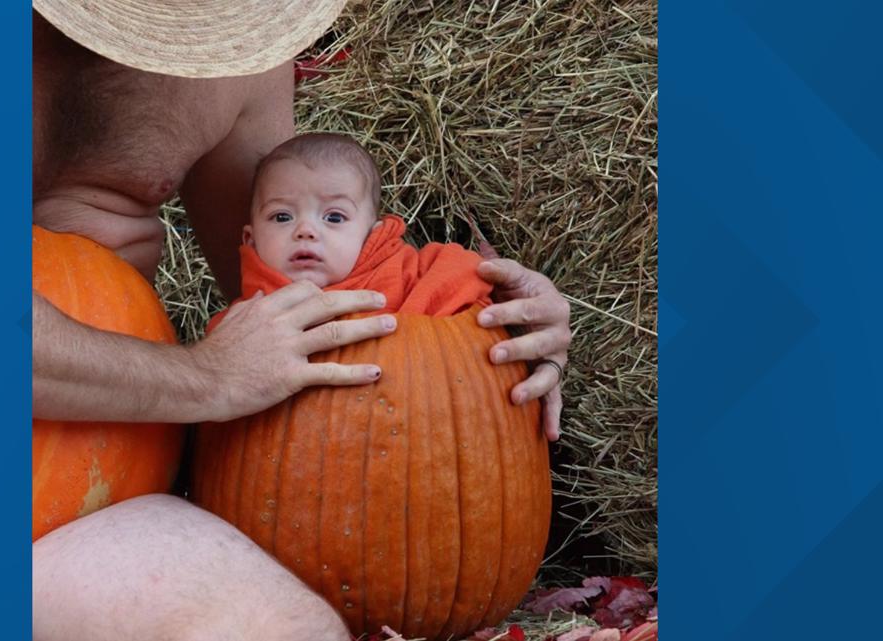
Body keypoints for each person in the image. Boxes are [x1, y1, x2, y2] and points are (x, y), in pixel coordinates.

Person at [31, 1, 571, 639]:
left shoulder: (238, 32)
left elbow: (304, 287)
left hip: (111, 482)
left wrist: (483, 313)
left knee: (287, 626)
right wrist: (203, 377)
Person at [207, 132, 501, 329]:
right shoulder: (240, 327)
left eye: (334, 218)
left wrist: (495, 278)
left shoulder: (405, 277)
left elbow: (465, 276)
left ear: (371, 236)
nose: (306, 230)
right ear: (251, 240)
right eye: (282, 216)